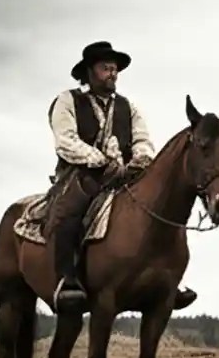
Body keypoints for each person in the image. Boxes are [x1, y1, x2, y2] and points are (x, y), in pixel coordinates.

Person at [45, 41, 197, 313]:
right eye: (106, 68)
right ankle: (67, 281)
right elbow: (65, 141)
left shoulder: (129, 107)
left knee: (156, 206)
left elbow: (142, 140)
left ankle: (168, 279)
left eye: (115, 69)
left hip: (123, 175)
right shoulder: (67, 101)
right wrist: (101, 160)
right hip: (81, 174)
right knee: (70, 209)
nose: (112, 73)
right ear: (90, 71)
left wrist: (140, 160)